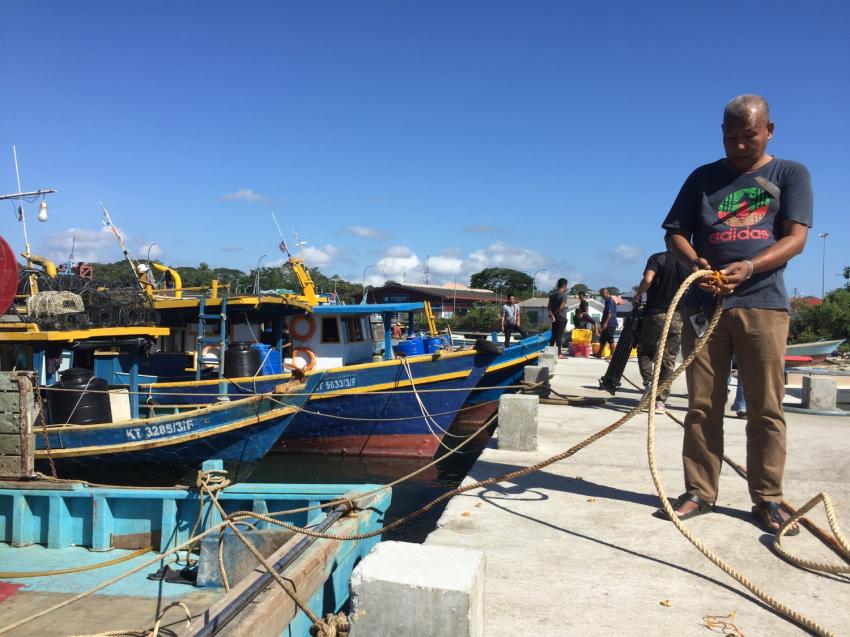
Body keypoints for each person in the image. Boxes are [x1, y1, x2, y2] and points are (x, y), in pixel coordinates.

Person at [661, 94, 812, 535]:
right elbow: (676, 233)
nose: (740, 145)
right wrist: (696, 265)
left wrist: (750, 266)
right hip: (704, 306)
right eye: (731, 137)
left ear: (769, 130)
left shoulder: (789, 174)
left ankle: (767, 498)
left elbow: (796, 238)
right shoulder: (703, 178)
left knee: (766, 407)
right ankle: (699, 491)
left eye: (749, 136)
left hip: (763, 302)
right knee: (702, 404)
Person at [632, 250, 689, 414]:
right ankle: (661, 401)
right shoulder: (688, 262)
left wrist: (638, 295)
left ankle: (649, 384)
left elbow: (648, 279)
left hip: (655, 315)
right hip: (677, 317)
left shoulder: (658, 258)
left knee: (645, 351)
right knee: (669, 358)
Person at [547, 278, 569, 358]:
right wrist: (554, 313)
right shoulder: (564, 295)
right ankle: (559, 354)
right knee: (559, 336)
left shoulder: (552, 294)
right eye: (566, 285)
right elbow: (561, 307)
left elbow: (549, 306)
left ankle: (550, 352)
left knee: (553, 335)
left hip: (554, 318)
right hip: (561, 318)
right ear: (564, 285)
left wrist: (551, 314)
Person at [594, 288, 618, 359]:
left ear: (607, 293)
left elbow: (610, 314)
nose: (602, 297)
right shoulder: (607, 301)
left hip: (610, 323)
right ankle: (599, 353)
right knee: (603, 339)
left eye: (603, 295)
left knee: (610, 339)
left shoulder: (610, 301)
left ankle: (612, 355)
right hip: (606, 323)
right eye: (601, 295)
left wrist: (605, 323)